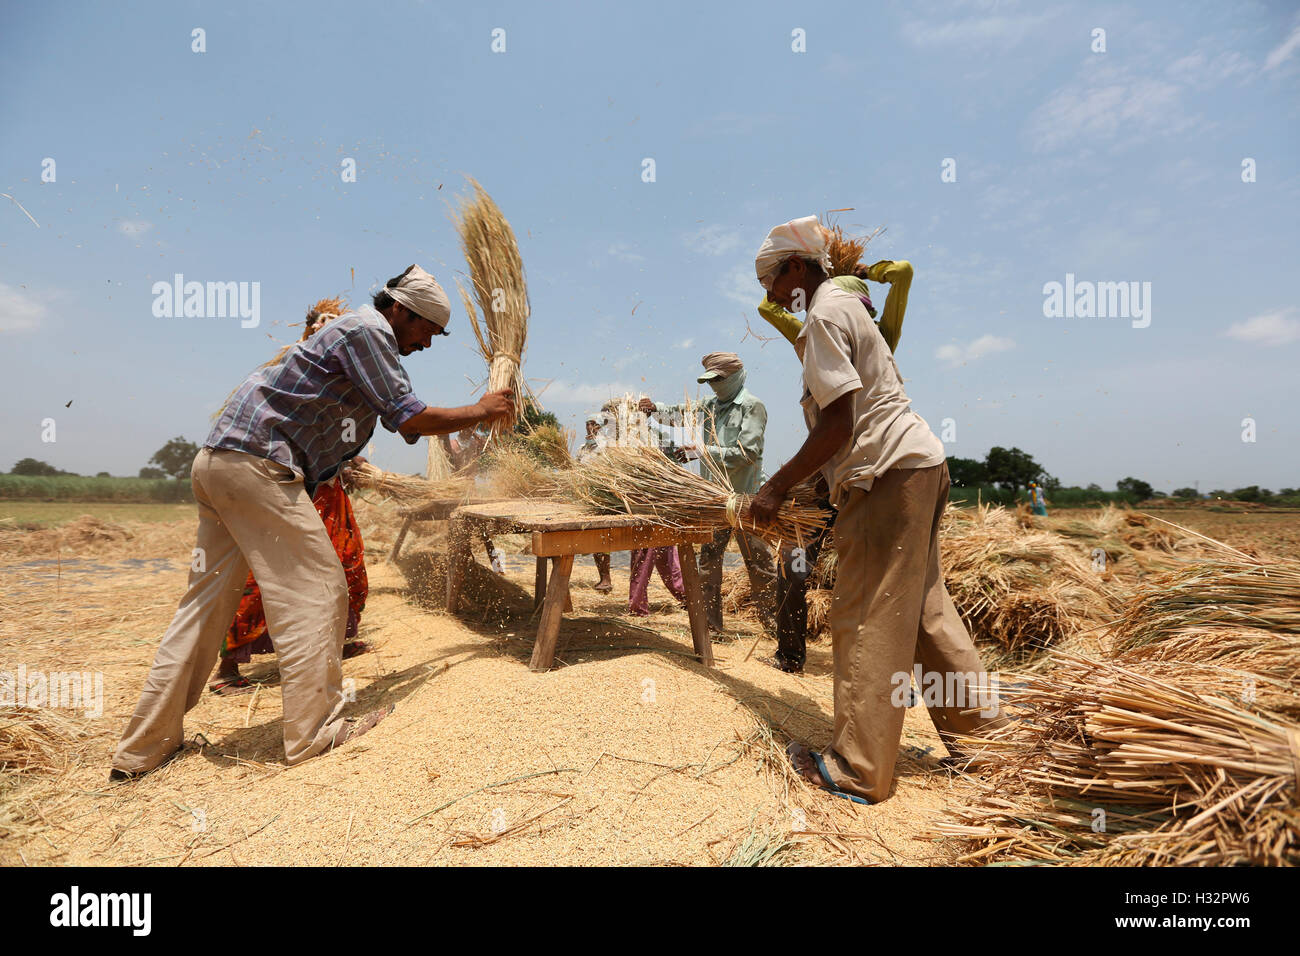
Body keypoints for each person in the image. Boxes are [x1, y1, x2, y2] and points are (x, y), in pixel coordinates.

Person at [110, 264, 514, 781]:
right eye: (427, 332)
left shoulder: (358, 337)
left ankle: (143, 748)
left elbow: (404, 425)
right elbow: (409, 417)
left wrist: (449, 420)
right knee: (321, 590)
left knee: (203, 610)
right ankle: (314, 732)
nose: (429, 344)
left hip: (222, 462)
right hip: (261, 463)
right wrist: (481, 409)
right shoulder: (368, 331)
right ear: (402, 312)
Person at [748, 217, 1004, 804]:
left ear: (794, 267)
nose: (766, 294)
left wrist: (775, 489)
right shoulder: (849, 306)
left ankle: (857, 769)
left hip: (883, 477)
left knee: (864, 617)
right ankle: (990, 746)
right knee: (923, 613)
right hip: (919, 465)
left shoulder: (822, 317)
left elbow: (838, 424)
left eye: (768, 278)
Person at [756, 258, 914, 673]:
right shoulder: (817, 329)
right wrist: (856, 276)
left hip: (865, 470)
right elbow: (771, 306)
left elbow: (767, 308)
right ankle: (790, 654)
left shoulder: (870, 336)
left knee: (878, 578)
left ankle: (887, 674)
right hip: (827, 471)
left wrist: (856, 276)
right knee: (795, 558)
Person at [209, 299, 373, 696]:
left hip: (330, 489)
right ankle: (228, 668)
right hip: (289, 484)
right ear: (309, 330)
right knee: (267, 571)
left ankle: (339, 641)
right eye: (323, 322)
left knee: (346, 562)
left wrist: (350, 459)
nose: (330, 327)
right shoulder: (292, 373)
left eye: (337, 322)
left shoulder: (347, 377)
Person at [639, 353, 777, 634]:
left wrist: (701, 451)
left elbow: (747, 453)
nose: (714, 386)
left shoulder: (752, 407)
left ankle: (774, 627)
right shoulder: (710, 405)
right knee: (708, 564)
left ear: (736, 376)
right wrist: (654, 408)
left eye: (719, 379)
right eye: (710, 381)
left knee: (760, 564)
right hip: (714, 498)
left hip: (746, 499)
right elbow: (679, 410)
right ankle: (711, 627)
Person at [576, 412, 613, 593]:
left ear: (600, 426)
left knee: (603, 538)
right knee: (593, 539)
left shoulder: (606, 447)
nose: (590, 427)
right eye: (588, 424)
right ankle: (602, 578)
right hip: (586, 497)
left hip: (602, 498)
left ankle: (606, 578)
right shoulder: (583, 448)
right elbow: (577, 469)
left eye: (594, 424)